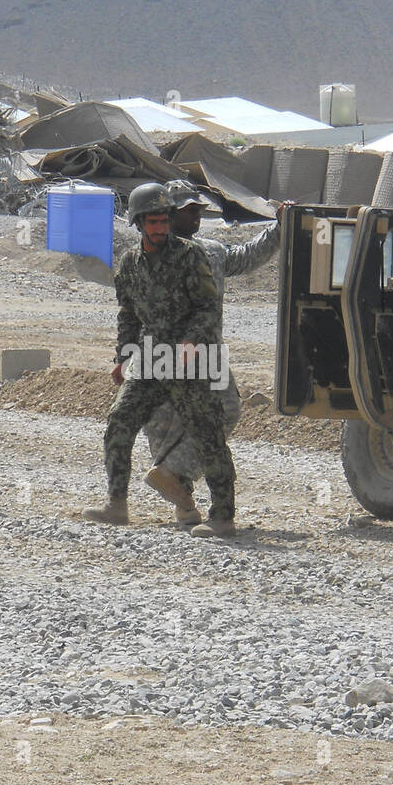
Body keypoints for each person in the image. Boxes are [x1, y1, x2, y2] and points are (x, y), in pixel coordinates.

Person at [82, 182, 238, 538]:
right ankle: (116, 504)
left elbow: (208, 309)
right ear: (138, 224)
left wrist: (189, 342)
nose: (160, 227)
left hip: (190, 359)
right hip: (151, 359)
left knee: (206, 433)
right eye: (152, 222)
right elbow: (128, 315)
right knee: (119, 422)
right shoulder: (130, 263)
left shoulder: (190, 256)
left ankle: (223, 516)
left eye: (164, 220)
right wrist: (123, 357)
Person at [140, 180, 282, 525]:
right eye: (187, 211)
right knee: (167, 427)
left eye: (197, 211)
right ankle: (183, 500)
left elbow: (247, 257)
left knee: (225, 411)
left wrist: (280, 228)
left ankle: (173, 477)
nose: (195, 218)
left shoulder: (212, 251)